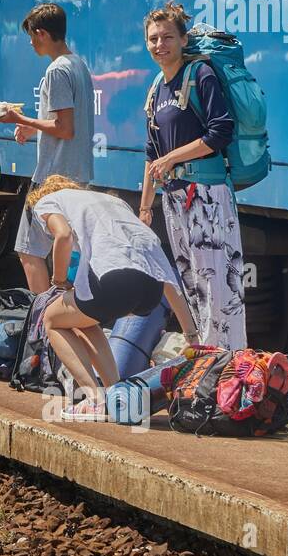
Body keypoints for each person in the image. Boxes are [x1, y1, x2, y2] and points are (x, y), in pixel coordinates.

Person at [26, 175, 200, 419]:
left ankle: (94, 398)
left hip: (114, 281)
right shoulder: (113, 202)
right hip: (150, 291)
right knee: (84, 321)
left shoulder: (47, 201)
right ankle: (115, 395)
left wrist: (58, 280)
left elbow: (63, 235)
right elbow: (165, 276)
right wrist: (192, 337)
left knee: (52, 320)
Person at [140, 2, 247, 351]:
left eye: (168, 37)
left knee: (219, 291)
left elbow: (221, 131)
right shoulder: (157, 87)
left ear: (184, 40)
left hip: (206, 195)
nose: (160, 44)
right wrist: (145, 209)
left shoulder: (200, 75)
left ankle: (227, 366)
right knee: (193, 285)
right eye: (153, 38)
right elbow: (151, 153)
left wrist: (173, 157)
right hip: (174, 199)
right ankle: (207, 364)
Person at [0, 3, 96, 293]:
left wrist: (17, 118)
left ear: (41, 33)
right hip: (78, 174)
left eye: (31, 36)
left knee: (29, 250)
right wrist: (34, 126)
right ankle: (68, 313)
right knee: (70, 253)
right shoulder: (79, 65)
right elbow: (66, 124)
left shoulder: (56, 72)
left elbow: (65, 128)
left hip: (52, 179)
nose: (30, 43)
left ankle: (42, 318)